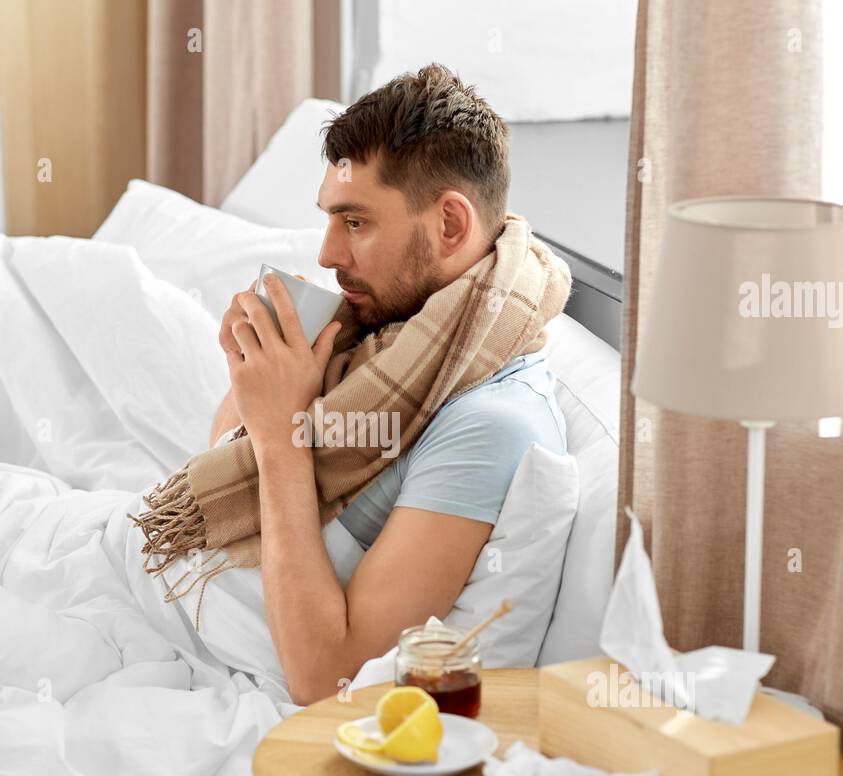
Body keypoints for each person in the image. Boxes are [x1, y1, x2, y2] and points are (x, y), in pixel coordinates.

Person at [204, 64, 569, 704]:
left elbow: (328, 678)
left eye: (355, 222)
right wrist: (259, 379)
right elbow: (219, 457)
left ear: (451, 226)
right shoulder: (381, 345)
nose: (325, 254)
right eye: (329, 219)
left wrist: (281, 435)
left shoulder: (491, 425)